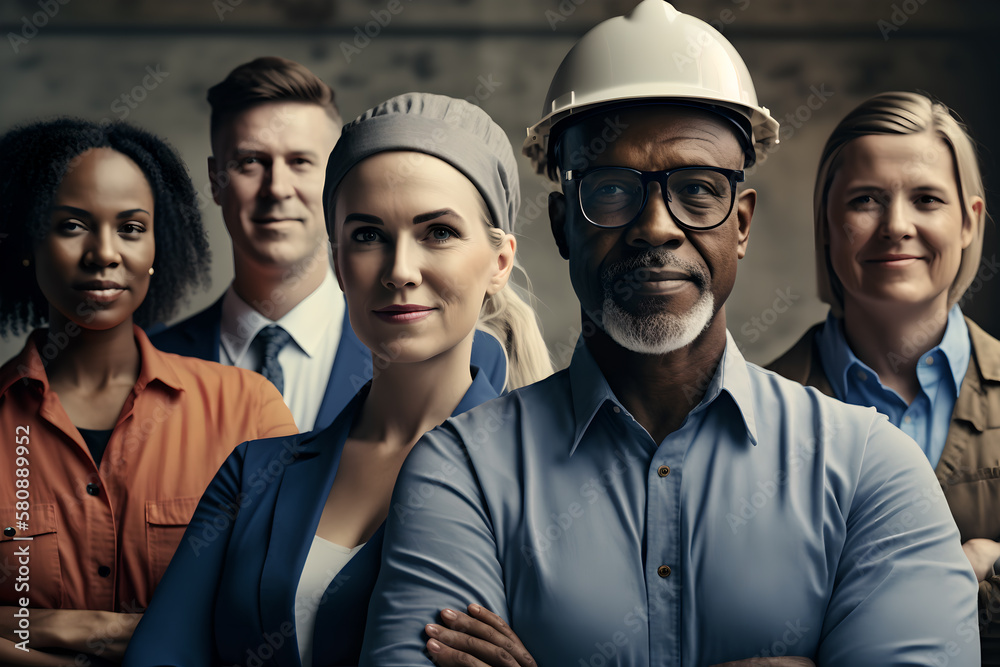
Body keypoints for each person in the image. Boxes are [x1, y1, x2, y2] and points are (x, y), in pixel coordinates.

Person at [358, 3, 981, 666]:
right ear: (565, 223)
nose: (656, 225)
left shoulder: (870, 470)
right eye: (612, 189)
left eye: (697, 189)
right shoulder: (462, 473)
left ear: (740, 222)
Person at [123, 93, 553, 666]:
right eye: (368, 235)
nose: (400, 270)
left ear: (499, 262)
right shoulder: (252, 475)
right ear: (338, 262)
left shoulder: (558, 481)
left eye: (439, 232)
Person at [0, 119, 297, 666]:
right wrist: (90, 629)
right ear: (27, 242)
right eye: (71, 226)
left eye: (132, 228)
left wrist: (23, 629)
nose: (105, 253)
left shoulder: (247, 409)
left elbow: (281, 611)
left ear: (160, 245)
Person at [151, 57, 508, 433]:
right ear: (215, 179)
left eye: (301, 161)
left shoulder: (463, 357)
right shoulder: (149, 361)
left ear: (333, 182)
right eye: (251, 162)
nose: (277, 188)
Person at [766, 91, 999, 662]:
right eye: (866, 200)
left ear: (969, 222)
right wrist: (966, 569)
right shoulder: (751, 411)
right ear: (827, 222)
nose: (896, 227)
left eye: (926, 199)